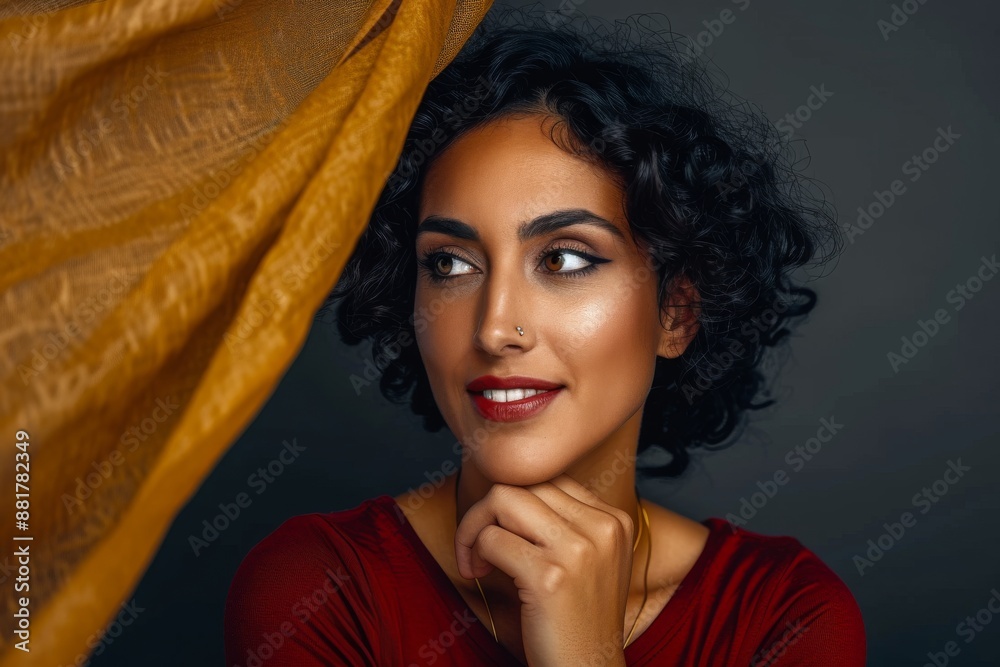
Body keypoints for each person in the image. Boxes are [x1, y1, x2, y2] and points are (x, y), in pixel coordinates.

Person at [224, 8, 865, 666]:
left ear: (676, 314)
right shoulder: (315, 587)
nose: (496, 326)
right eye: (450, 263)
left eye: (563, 259)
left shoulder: (783, 614)